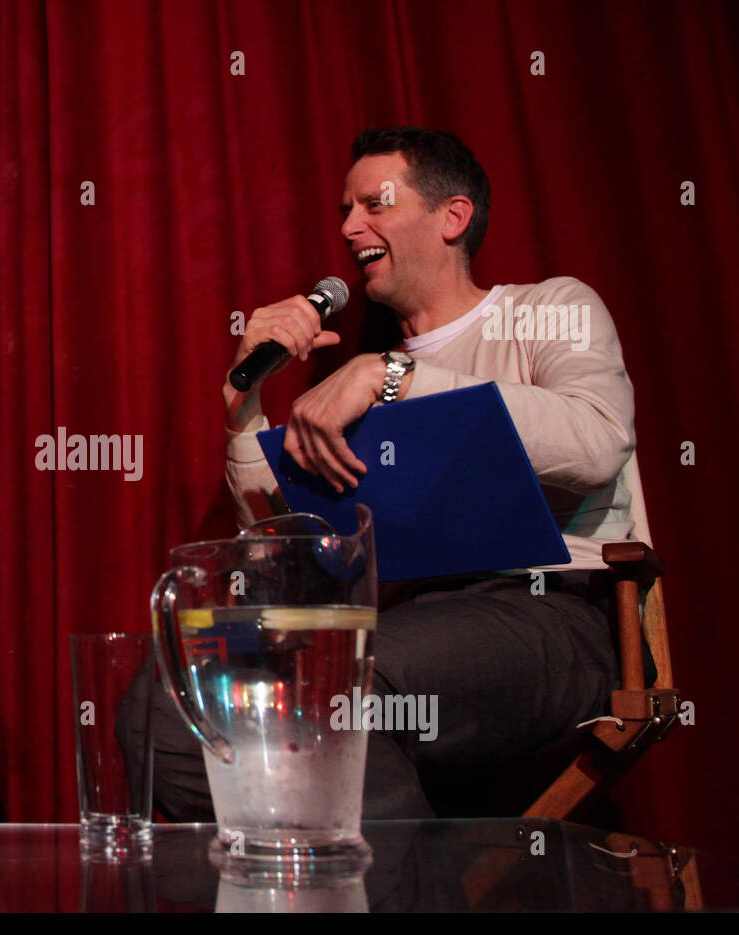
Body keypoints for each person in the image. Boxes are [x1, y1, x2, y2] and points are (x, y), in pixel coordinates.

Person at [140, 126, 644, 820]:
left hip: (552, 615)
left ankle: (380, 886)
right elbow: (279, 534)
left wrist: (395, 375)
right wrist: (241, 404)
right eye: (345, 211)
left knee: (342, 680)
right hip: (407, 622)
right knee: (168, 697)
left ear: (452, 217)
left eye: (373, 204)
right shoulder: (350, 386)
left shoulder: (547, 309)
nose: (350, 228)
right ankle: (331, 880)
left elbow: (597, 441)